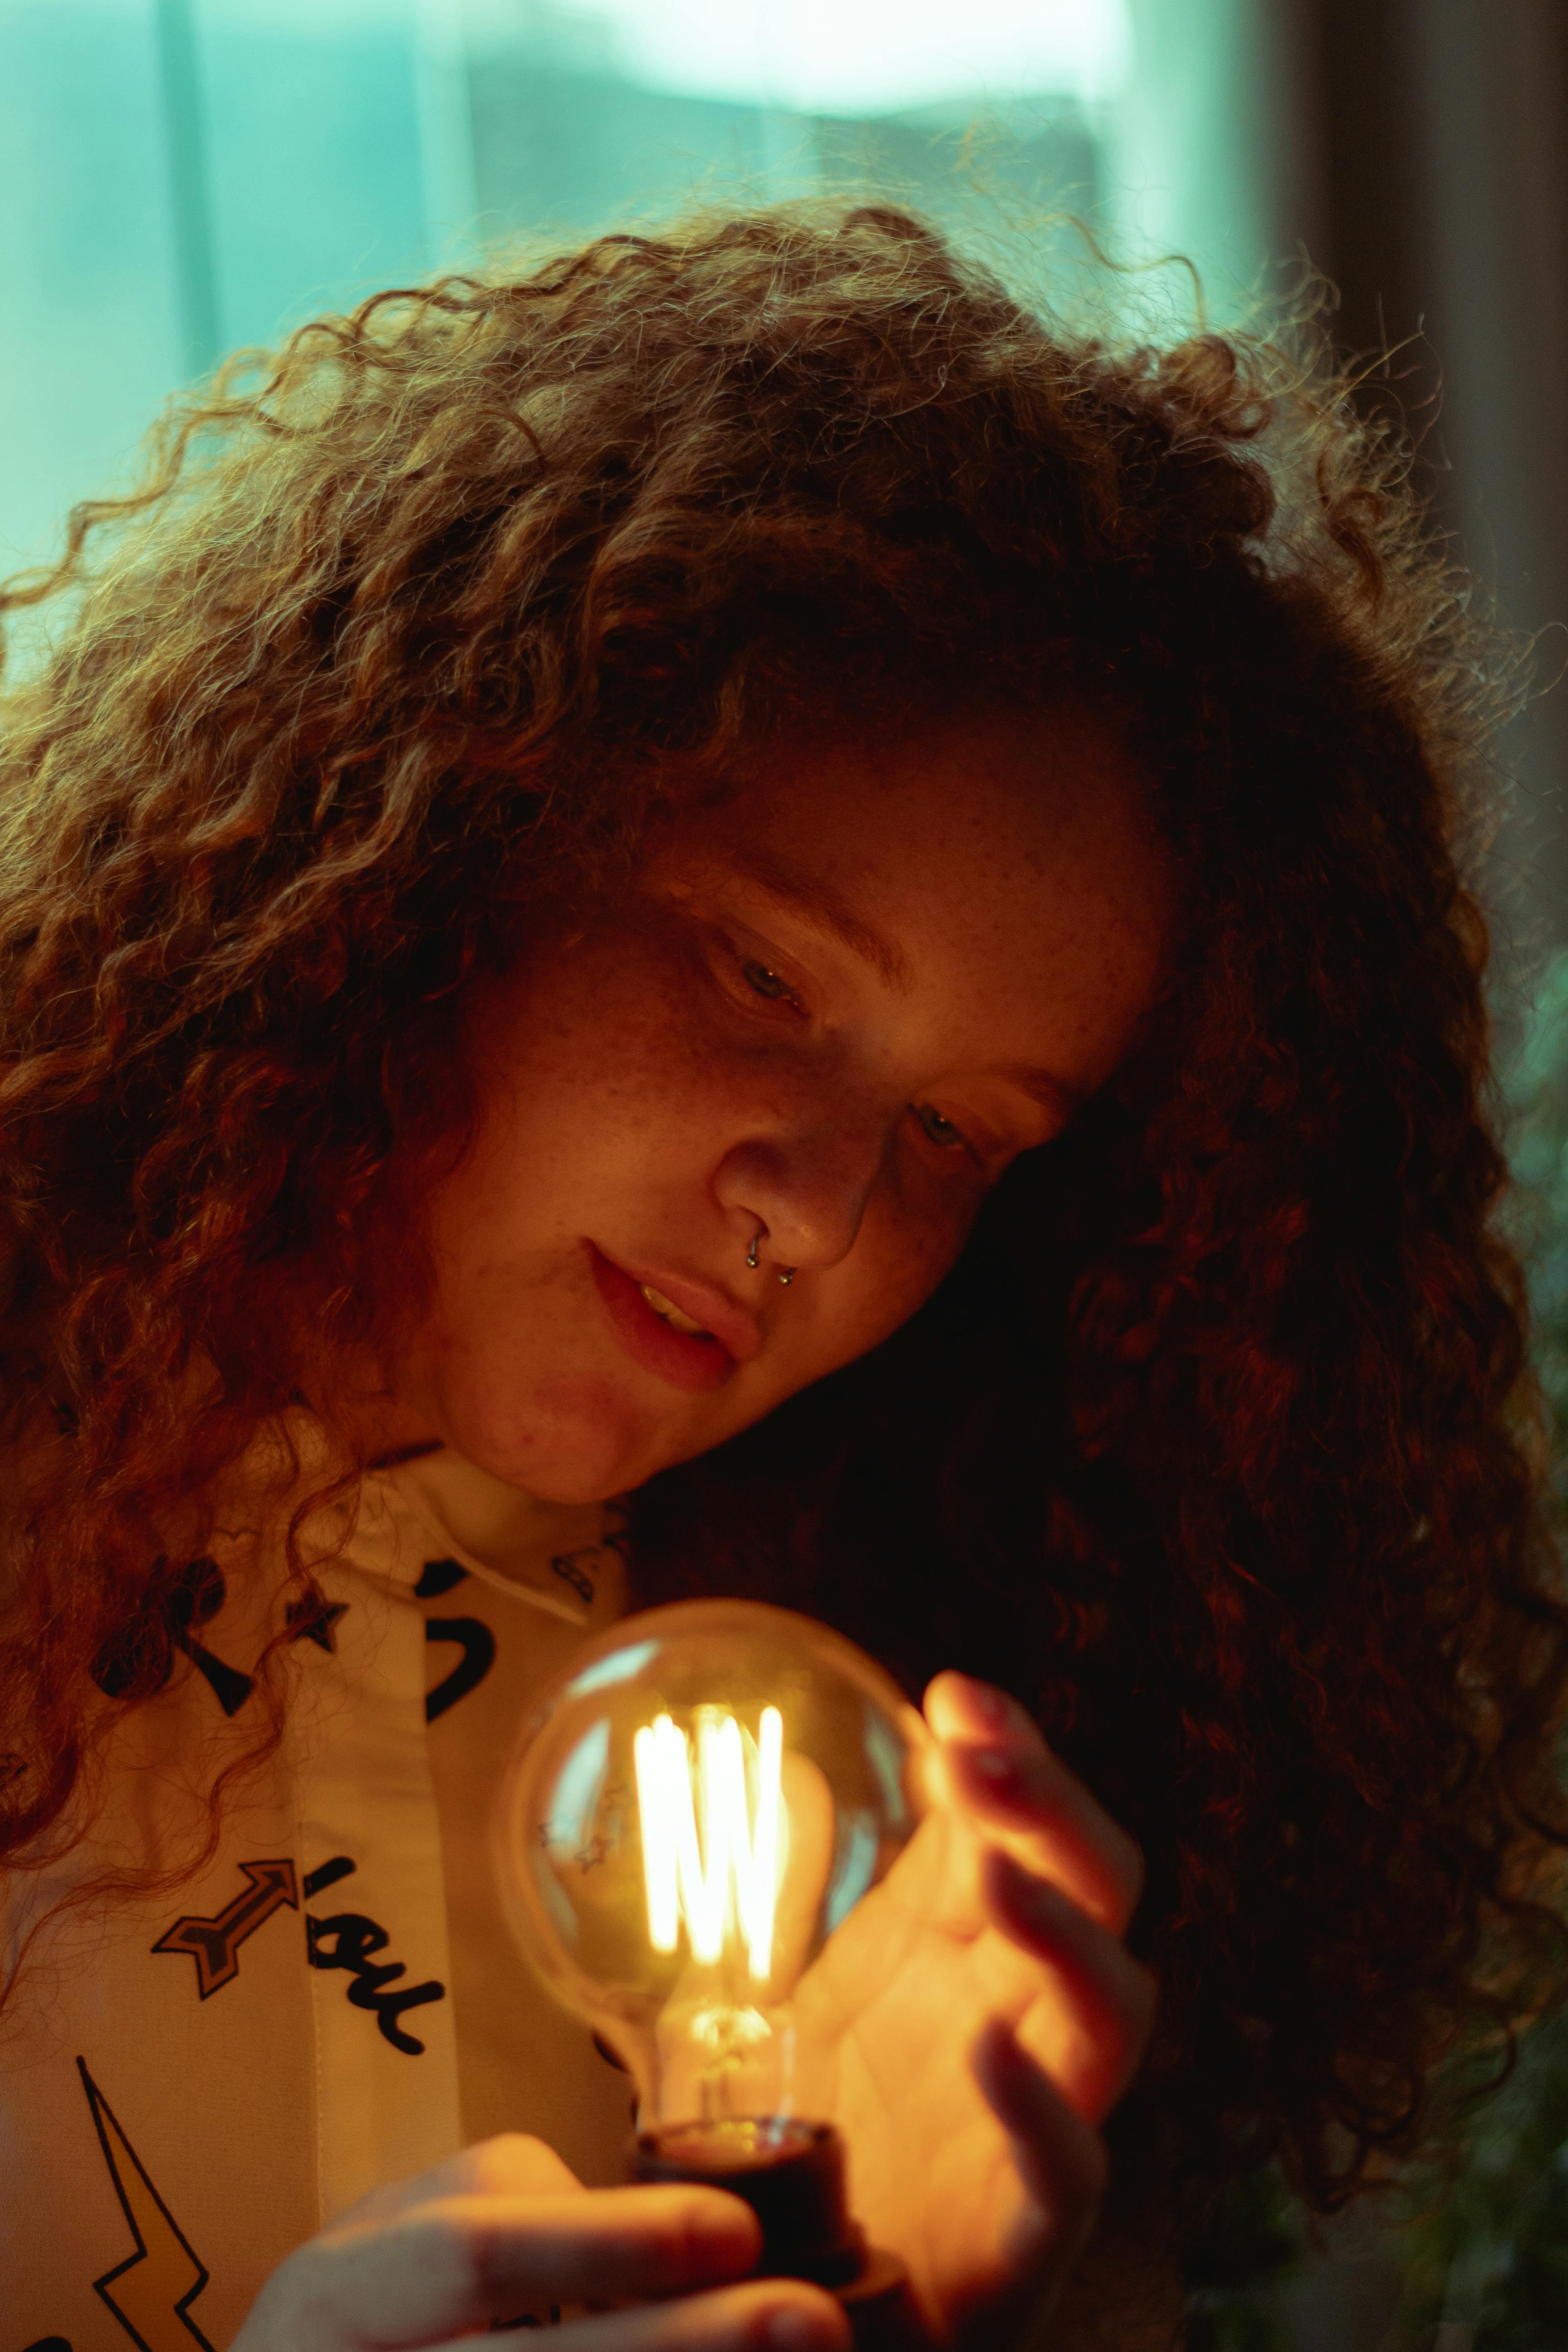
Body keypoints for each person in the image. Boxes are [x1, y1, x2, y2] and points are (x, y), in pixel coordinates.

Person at [1, 202, 1563, 2352]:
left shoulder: (877, 1795)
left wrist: (907, 2306)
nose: (821, 1212)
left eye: (957, 1138)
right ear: (458, 821)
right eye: (760, 975)